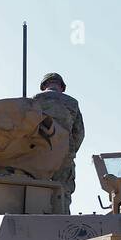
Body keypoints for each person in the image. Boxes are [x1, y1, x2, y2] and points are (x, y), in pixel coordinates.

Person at [31, 72, 85, 212]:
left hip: (38, 156)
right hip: (64, 157)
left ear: (44, 86)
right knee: (63, 193)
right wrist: (70, 152)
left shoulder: (35, 100)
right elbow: (79, 133)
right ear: (61, 87)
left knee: (36, 192)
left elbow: (26, 128)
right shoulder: (72, 103)